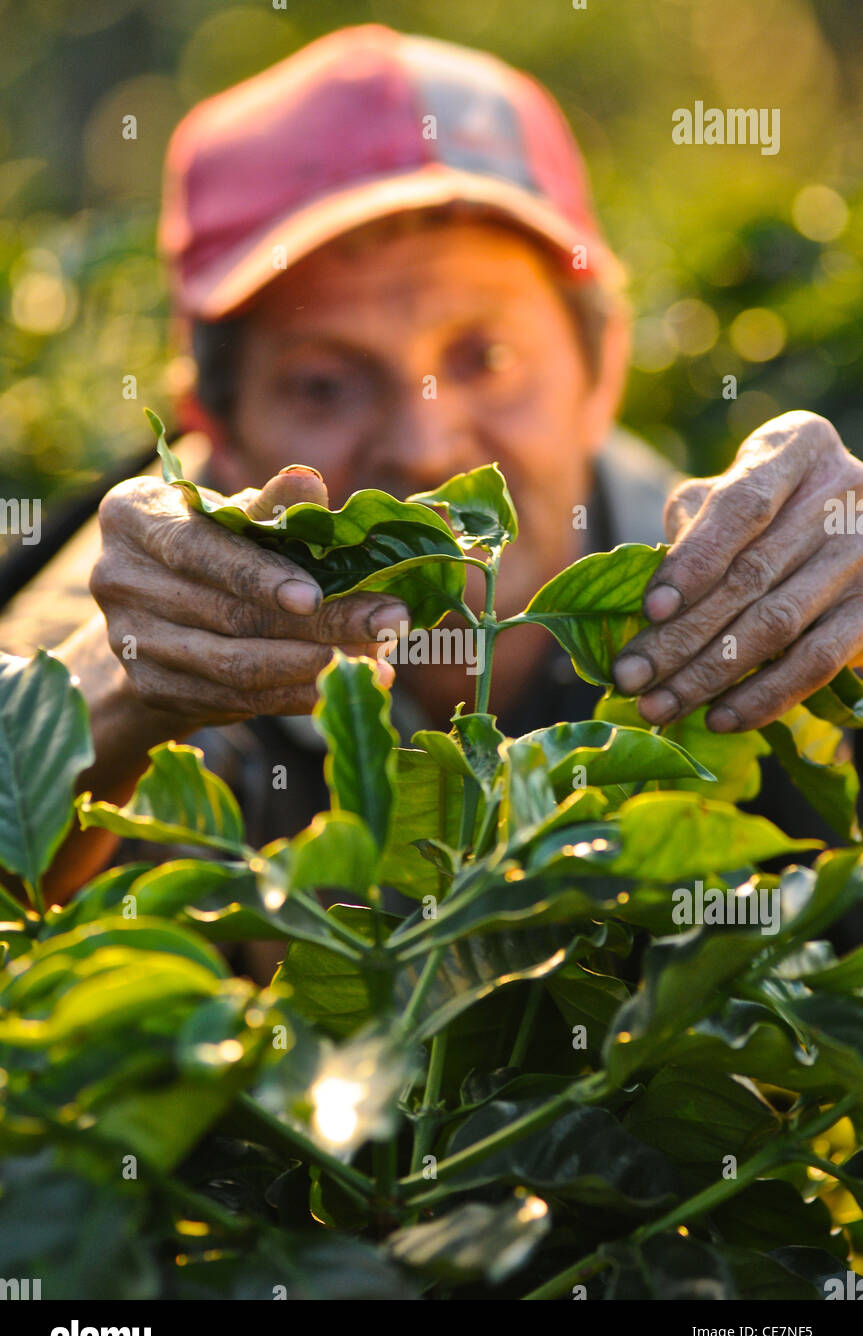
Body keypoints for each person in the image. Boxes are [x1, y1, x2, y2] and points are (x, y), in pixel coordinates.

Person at [3, 26, 862, 958]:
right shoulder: (104, 602)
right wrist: (94, 717)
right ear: (215, 424)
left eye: (485, 357)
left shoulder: (743, 576)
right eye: (323, 383)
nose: (424, 446)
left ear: (600, 370)